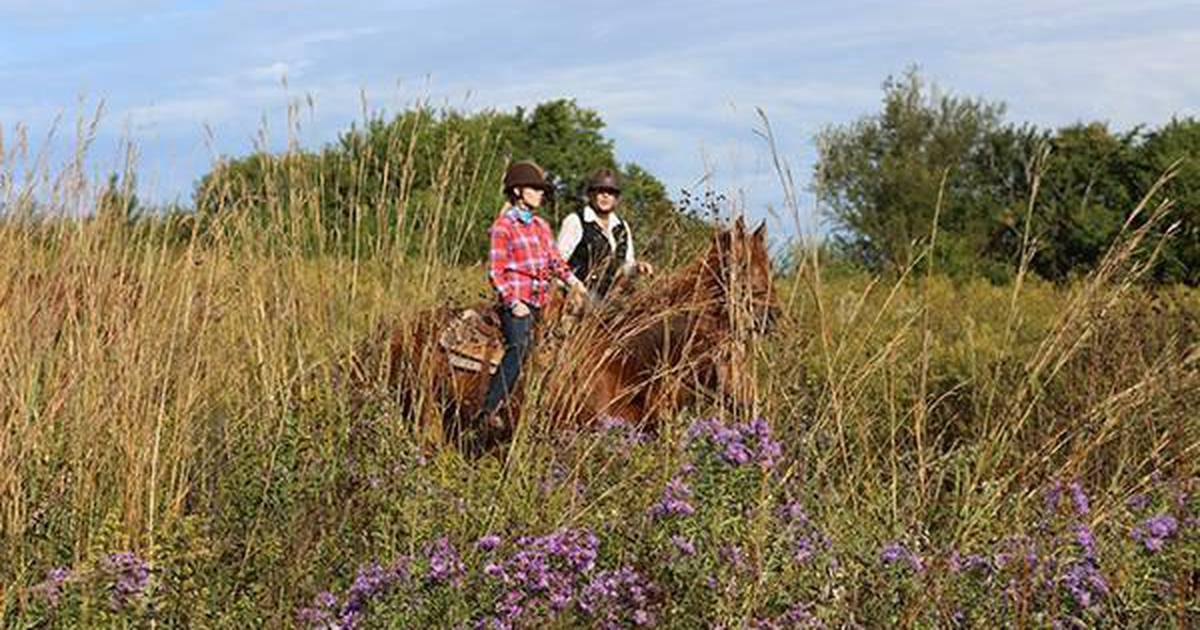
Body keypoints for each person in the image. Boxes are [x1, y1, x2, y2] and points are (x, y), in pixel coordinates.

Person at [478, 160, 587, 430]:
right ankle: (489, 408)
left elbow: (554, 261)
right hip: (518, 302)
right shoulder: (503, 227)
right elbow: (496, 271)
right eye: (535, 188)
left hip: (542, 300)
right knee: (521, 346)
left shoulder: (541, 226)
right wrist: (513, 303)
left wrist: (574, 281)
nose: (541, 193)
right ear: (518, 191)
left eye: (541, 189)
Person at [557, 168, 653, 300]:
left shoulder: (622, 226)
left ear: (616, 198)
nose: (605, 195)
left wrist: (637, 268)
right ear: (591, 194)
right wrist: (576, 286)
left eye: (611, 192)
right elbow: (558, 263)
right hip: (576, 297)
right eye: (600, 191)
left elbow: (626, 265)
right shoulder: (575, 221)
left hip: (611, 298)